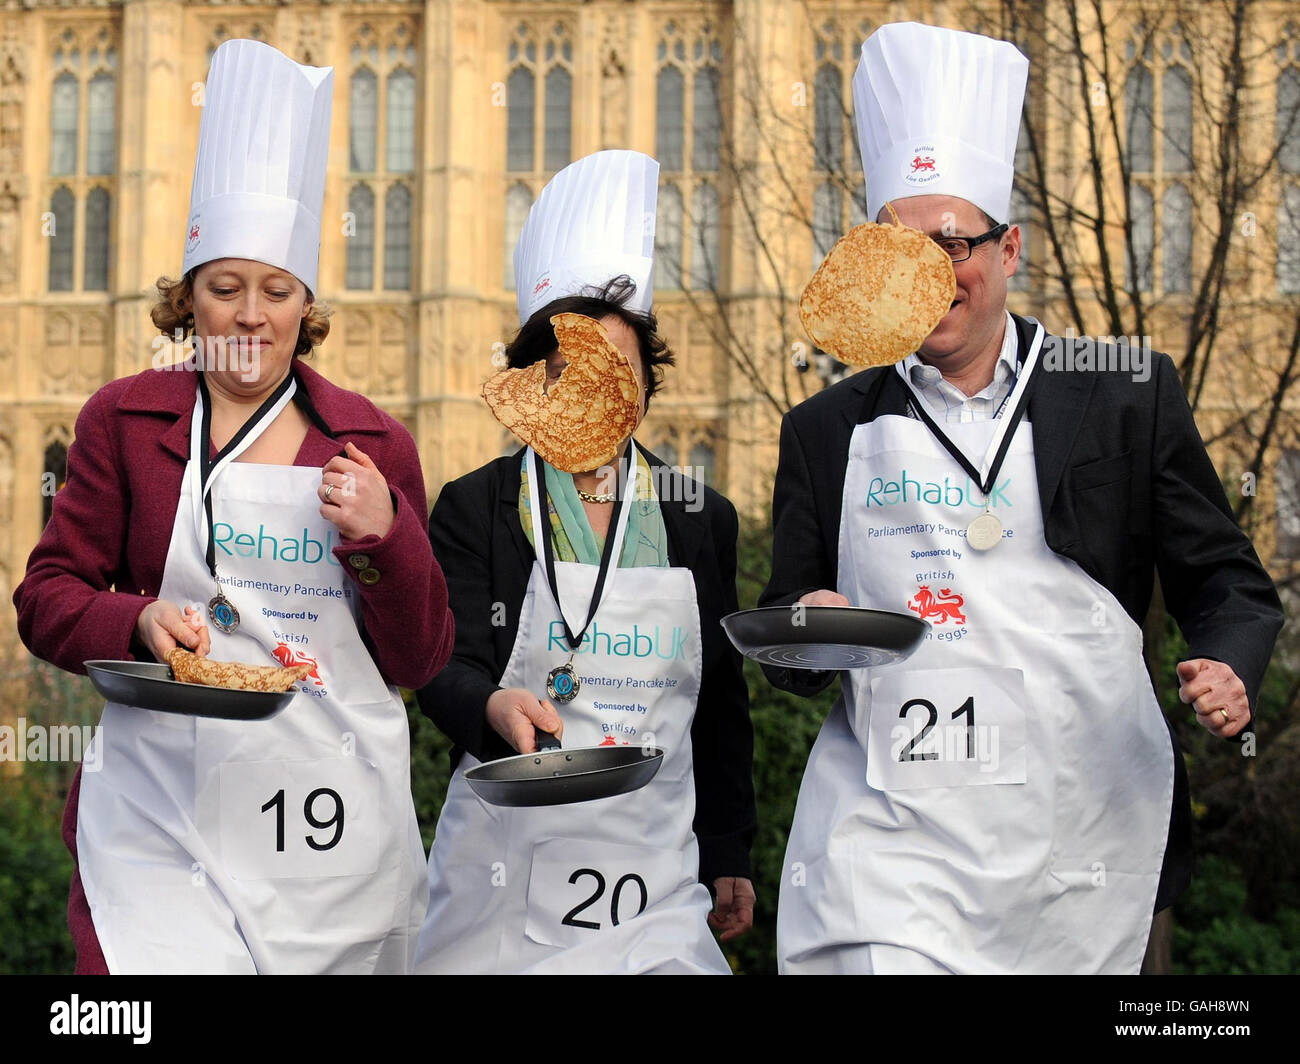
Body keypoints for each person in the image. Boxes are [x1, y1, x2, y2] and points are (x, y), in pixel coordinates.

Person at [762, 22, 1283, 974]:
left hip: (1079, 835)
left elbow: (1231, 586)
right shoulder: (825, 428)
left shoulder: (1124, 392)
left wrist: (1229, 665)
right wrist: (809, 623)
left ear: (1010, 250)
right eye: (900, 254)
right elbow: (788, 649)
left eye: (950, 246)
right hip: (897, 842)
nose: (930, 277)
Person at [13, 39, 453, 974]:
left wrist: (388, 538)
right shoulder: (124, 421)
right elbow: (45, 598)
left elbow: (419, 658)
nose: (251, 315)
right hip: (161, 815)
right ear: (189, 304)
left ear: (305, 305)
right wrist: (134, 622)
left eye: (276, 291)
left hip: (329, 835)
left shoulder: (373, 444)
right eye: (225, 290)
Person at [414, 150, 755, 974]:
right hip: (503, 874)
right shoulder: (476, 505)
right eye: (569, 373)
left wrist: (729, 847)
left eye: (617, 368)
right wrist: (490, 706)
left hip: (655, 878)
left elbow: (717, 703)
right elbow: (438, 665)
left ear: (644, 382)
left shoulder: (699, 515)